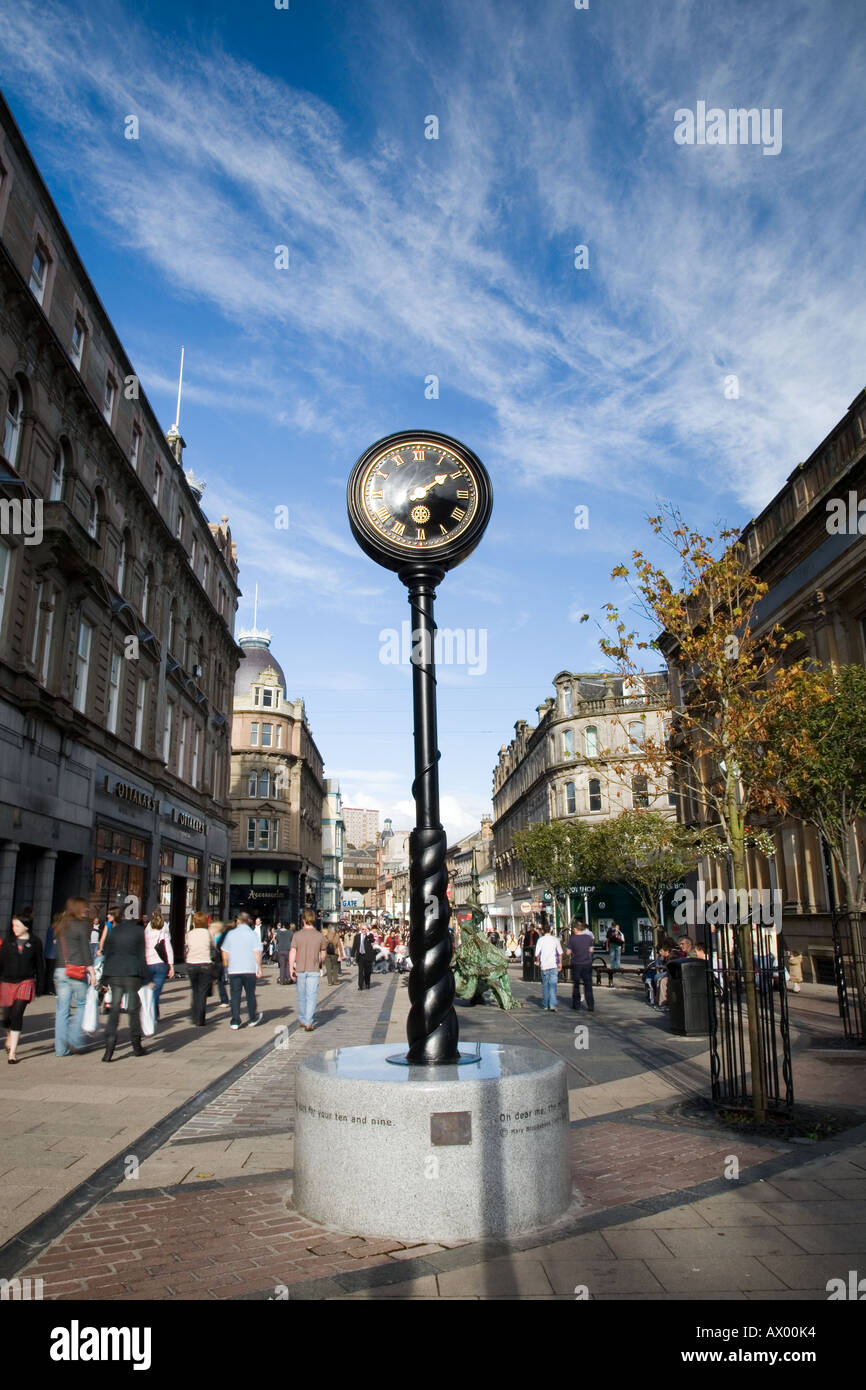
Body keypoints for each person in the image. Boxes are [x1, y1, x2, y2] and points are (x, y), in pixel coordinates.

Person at [101, 916, 150, 1061]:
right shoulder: (138, 931)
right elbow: (142, 955)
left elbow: (107, 953)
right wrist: (147, 977)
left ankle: (108, 1050)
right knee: (133, 1010)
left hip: (115, 973)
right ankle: (136, 1047)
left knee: (114, 1011)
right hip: (132, 973)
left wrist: (104, 976)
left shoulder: (115, 931)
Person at [0, 915, 46, 1063]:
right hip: (7, 980)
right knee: (5, 1018)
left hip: (26, 980)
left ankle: (12, 1053)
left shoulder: (35, 942)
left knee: (17, 1014)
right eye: (13, 926)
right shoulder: (8, 941)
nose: (14, 929)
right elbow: (1, 962)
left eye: (17, 926)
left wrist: (40, 985)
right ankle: (9, 1035)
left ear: (26, 926)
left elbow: (40, 964)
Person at [54, 897, 96, 1057]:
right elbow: (85, 949)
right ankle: (74, 1038)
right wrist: (91, 970)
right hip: (77, 970)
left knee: (62, 1010)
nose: (86, 910)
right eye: (84, 907)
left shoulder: (61, 924)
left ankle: (60, 1048)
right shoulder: (82, 924)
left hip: (60, 970)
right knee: (82, 1004)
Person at [221, 912, 263, 1029]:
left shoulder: (231, 934)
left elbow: (224, 950)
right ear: (248, 921)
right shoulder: (252, 934)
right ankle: (252, 1018)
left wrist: (226, 965)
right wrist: (259, 968)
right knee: (250, 994)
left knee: (235, 996)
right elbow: (257, 953)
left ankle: (235, 1020)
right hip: (249, 969)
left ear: (238, 921)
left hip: (234, 969)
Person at [289, 909, 326, 1031]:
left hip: (300, 969)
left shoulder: (297, 935)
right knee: (311, 996)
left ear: (303, 920)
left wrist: (291, 968)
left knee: (301, 996)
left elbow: (293, 952)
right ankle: (309, 1021)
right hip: (314, 969)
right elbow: (323, 954)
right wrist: (320, 963)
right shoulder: (319, 936)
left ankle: (303, 1019)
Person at [185, 912, 215, 1026]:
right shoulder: (208, 933)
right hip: (205, 964)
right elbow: (213, 946)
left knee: (195, 990)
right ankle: (200, 1019)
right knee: (202, 992)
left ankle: (194, 1015)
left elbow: (187, 945)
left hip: (192, 964)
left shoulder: (190, 934)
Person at [144, 909, 174, 1022]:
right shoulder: (164, 932)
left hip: (148, 963)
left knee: (149, 990)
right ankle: (154, 1015)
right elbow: (168, 950)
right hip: (161, 964)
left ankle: (152, 1013)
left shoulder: (146, 933)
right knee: (156, 991)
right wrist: (171, 965)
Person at [568, 918, 595, 1012]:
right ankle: (590, 1005)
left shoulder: (572, 938)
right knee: (588, 985)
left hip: (576, 963)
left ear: (576, 929)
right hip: (587, 963)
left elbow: (568, 952)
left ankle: (576, 1004)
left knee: (576, 985)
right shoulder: (588, 938)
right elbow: (591, 950)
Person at [535, 924, 562, 1011]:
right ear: (550, 930)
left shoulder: (540, 940)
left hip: (544, 966)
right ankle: (553, 1004)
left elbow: (537, 953)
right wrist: (560, 963)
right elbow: (560, 953)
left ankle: (546, 1004)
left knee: (545, 986)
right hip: (554, 965)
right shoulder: (555, 940)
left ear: (542, 931)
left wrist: (538, 961)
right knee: (553, 986)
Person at [353, 922, 375, 990]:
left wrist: (368, 934)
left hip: (367, 956)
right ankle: (360, 985)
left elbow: (372, 940)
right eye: (363, 929)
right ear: (360, 929)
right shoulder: (357, 936)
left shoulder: (370, 935)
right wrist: (351, 955)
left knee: (367, 971)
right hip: (360, 956)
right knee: (360, 971)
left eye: (365, 929)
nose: (364, 931)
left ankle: (367, 983)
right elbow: (354, 946)